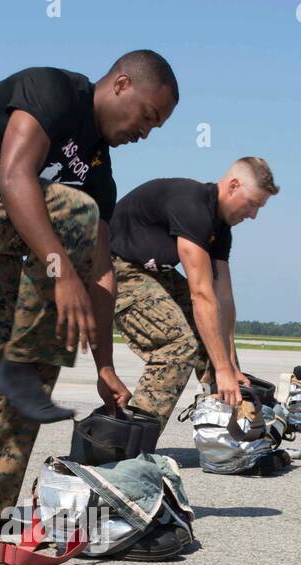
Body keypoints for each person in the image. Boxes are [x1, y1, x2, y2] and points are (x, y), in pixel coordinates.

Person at [0, 51, 179, 532]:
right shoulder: (58, 90)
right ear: (122, 84)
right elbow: (13, 175)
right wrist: (60, 273)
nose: (146, 132)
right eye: (148, 116)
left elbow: (102, 273)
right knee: (71, 211)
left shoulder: (99, 174)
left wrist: (103, 365)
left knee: (19, 346)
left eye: (157, 128)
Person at [108, 158, 279, 425]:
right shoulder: (193, 207)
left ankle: (223, 429)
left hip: (150, 272)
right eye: (253, 204)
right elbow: (201, 294)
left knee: (210, 335)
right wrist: (222, 368)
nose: (253, 215)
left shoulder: (221, 227)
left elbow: (223, 300)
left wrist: (231, 365)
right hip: (111, 266)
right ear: (233, 186)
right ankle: (131, 438)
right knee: (177, 345)